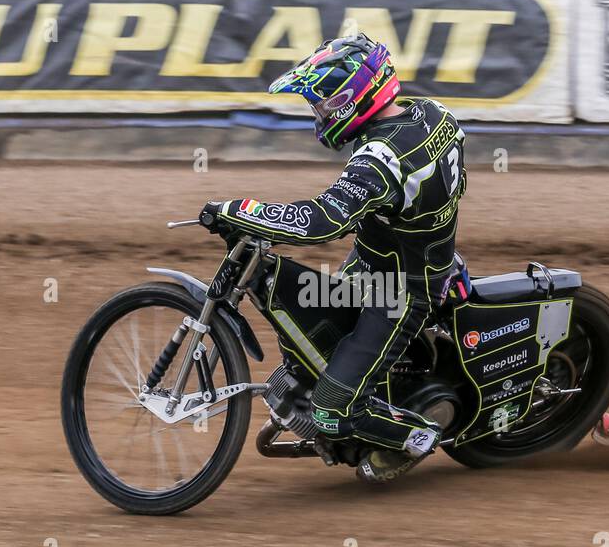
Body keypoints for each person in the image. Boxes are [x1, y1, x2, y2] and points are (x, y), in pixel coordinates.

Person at [199, 33, 466, 483]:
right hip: (389, 260)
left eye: (324, 103)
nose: (319, 114)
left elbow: (322, 221)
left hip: (401, 292)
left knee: (330, 411)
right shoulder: (432, 113)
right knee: (315, 342)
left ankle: (418, 435)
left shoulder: (381, 158)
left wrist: (241, 210)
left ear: (353, 96)